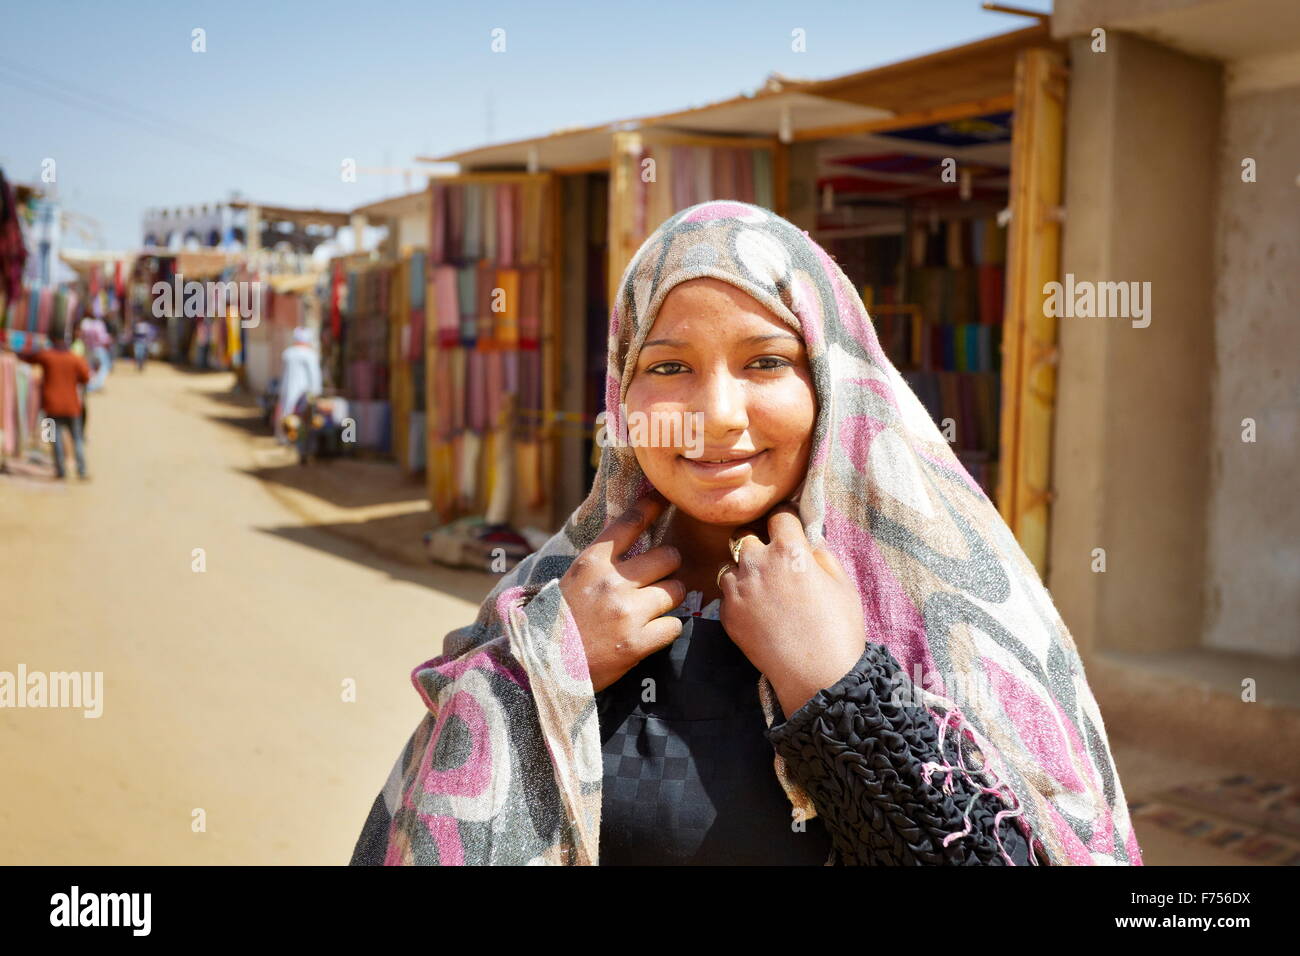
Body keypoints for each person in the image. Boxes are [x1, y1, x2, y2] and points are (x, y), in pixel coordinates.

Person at [350, 201, 1142, 866]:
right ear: (622, 390)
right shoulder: (556, 599)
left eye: (765, 363)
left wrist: (841, 691)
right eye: (667, 368)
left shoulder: (953, 607)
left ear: (831, 380)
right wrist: (549, 669)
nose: (718, 414)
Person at [11, 332, 91, 480]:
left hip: (51, 406)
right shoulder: (75, 359)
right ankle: (82, 471)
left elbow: (29, 359)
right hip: (72, 407)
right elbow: (86, 377)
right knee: (77, 439)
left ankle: (61, 471)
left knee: (54, 439)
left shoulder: (47, 356)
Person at [275, 327, 322, 446]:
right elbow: (314, 375)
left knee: (287, 413)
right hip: (305, 392)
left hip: (289, 390)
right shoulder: (310, 355)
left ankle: (286, 438)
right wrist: (316, 392)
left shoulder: (288, 353)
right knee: (304, 417)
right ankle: (301, 441)